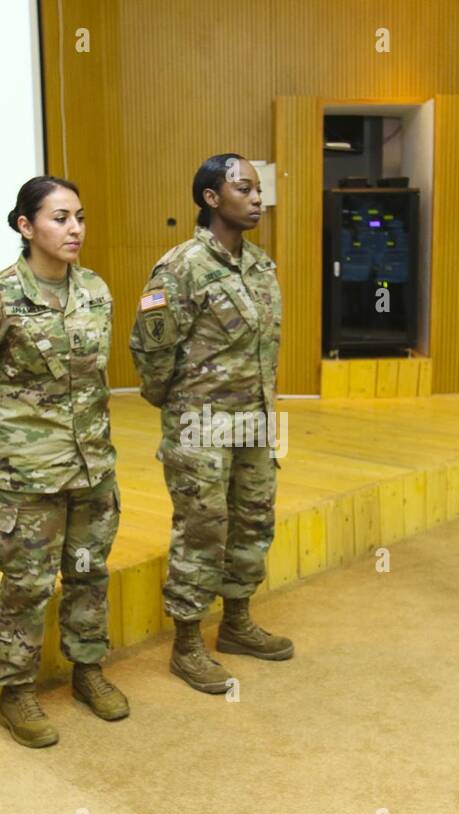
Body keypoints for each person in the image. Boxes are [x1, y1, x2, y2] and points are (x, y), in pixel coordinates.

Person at [0, 176, 126, 748]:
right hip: (24, 473)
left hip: (91, 465)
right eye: (58, 218)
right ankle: (15, 690)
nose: (74, 229)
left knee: (88, 574)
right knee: (25, 583)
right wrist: (7, 448)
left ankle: (87, 670)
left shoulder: (96, 291)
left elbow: (97, 379)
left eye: (79, 217)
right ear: (25, 227)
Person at [129, 154, 293, 694]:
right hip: (200, 426)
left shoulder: (261, 265)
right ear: (209, 198)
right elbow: (151, 353)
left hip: (255, 422)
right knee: (202, 530)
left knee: (252, 522)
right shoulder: (179, 268)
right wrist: (178, 410)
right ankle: (187, 642)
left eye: (258, 189)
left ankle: (238, 622)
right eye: (243, 188)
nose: (256, 198)